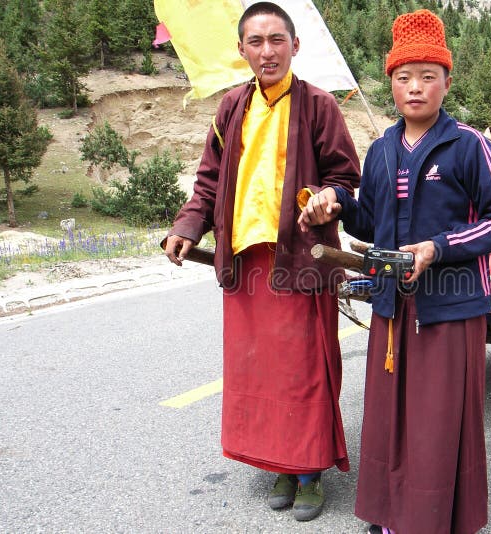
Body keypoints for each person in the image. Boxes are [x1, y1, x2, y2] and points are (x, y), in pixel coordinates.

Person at [298, 8, 491, 534]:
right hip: (393, 305)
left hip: (449, 305)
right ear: (391, 83)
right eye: (403, 77)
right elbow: (373, 221)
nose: (414, 88)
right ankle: (391, 513)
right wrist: (338, 204)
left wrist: (436, 248)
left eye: (427, 76)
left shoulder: (467, 145)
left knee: (436, 422)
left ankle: (435, 518)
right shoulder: (380, 151)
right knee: (390, 415)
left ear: (446, 81)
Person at [163, 2, 360, 523]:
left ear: (296, 46)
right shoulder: (231, 108)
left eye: (277, 40)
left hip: (301, 258)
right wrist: (187, 227)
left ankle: (310, 470)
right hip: (246, 265)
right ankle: (280, 463)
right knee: (263, 375)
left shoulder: (319, 106)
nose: (267, 51)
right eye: (256, 41)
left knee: (305, 371)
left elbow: (345, 177)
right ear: (242, 50)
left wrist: (326, 197)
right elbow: (209, 181)